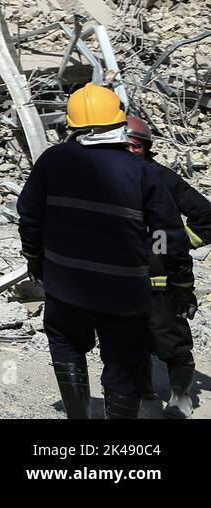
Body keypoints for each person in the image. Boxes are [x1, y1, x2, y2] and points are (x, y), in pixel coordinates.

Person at [18, 84, 193, 419]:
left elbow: (29, 215)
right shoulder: (141, 171)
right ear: (119, 123)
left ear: (72, 125)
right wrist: (180, 283)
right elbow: (167, 235)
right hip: (124, 292)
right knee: (124, 362)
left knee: (67, 346)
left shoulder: (53, 160)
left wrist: (36, 259)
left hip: (65, 284)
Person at [125, 116, 209, 418]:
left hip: (161, 278)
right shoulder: (104, 179)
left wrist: (177, 243)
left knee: (172, 340)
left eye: (136, 146)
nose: (129, 151)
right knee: (130, 342)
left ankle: (180, 397)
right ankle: (145, 396)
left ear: (146, 148)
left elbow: (206, 218)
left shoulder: (162, 177)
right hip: (121, 280)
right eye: (124, 146)